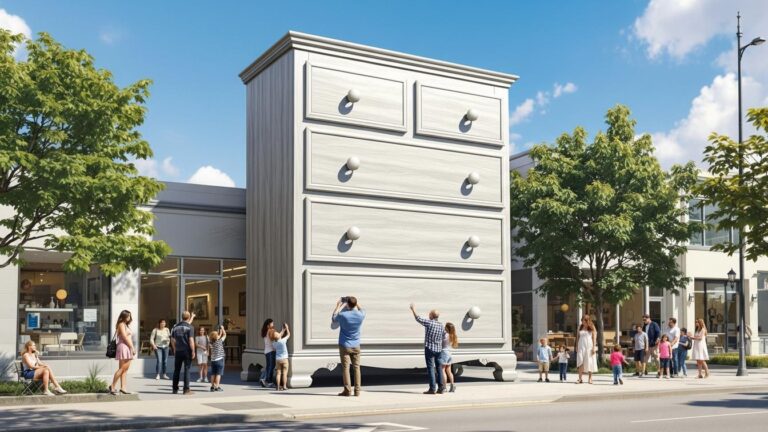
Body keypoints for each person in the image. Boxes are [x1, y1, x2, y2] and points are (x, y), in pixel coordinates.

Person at [332, 296, 366, 397]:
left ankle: (347, 391)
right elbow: (361, 309)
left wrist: (338, 306)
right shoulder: (360, 315)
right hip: (356, 345)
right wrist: (355, 303)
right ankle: (357, 391)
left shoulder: (343, 315)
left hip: (344, 345)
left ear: (347, 304)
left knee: (346, 368)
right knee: (357, 368)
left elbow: (334, 318)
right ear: (355, 304)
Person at [409, 303, 445, 394]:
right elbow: (443, 336)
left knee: (431, 369)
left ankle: (432, 389)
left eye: (429, 314)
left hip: (429, 348)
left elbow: (418, 318)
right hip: (438, 349)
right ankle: (441, 388)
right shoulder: (441, 325)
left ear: (432, 316)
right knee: (439, 368)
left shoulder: (429, 323)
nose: (428, 315)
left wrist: (413, 309)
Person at [110, 309, 136, 395]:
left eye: (130, 316)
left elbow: (128, 338)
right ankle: (112, 386)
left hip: (128, 348)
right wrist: (132, 347)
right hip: (124, 347)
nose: (129, 317)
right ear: (124, 316)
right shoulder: (121, 324)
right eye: (128, 316)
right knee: (122, 369)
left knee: (125, 369)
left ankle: (123, 387)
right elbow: (124, 337)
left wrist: (132, 348)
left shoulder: (126, 325)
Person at [171, 311, 196, 395]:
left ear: (182, 317)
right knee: (187, 370)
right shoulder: (190, 327)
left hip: (178, 350)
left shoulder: (175, 327)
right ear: (188, 317)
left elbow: (173, 340)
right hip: (187, 351)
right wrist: (193, 351)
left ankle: (175, 389)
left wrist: (174, 349)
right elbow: (191, 340)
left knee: (176, 370)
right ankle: (186, 390)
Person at [575, 315, 598, 384]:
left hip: (589, 346)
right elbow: (577, 337)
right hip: (581, 346)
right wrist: (576, 346)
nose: (582, 322)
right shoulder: (580, 326)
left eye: (583, 321)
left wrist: (594, 347)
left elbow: (594, 338)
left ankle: (590, 378)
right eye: (582, 320)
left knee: (590, 361)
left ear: (587, 321)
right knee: (580, 361)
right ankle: (580, 378)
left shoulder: (592, 327)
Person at [440, 323, 459, 392]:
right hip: (449, 353)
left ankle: (444, 387)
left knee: (442, 370)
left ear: (447, 328)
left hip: (444, 352)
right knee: (449, 371)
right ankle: (452, 385)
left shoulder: (445, 335)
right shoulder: (453, 336)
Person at [272, 323, 291, 391]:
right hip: (285, 359)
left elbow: (274, 349)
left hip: (278, 359)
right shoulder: (283, 341)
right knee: (285, 373)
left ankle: (277, 387)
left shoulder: (274, 343)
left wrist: (283, 330)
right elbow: (288, 335)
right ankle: (284, 386)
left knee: (278, 373)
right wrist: (287, 328)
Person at [209, 326, 226, 392]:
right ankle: (217, 386)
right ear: (217, 337)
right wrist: (223, 329)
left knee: (213, 374)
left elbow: (218, 336)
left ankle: (212, 386)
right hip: (219, 360)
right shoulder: (219, 342)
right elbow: (224, 335)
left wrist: (220, 332)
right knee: (218, 374)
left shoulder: (211, 343)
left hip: (213, 360)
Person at [259, 319, 276, 388]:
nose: (273, 324)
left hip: (267, 351)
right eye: (272, 323)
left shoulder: (265, 331)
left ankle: (263, 378)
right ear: (268, 325)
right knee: (271, 367)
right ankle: (269, 381)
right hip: (271, 351)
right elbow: (274, 340)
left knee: (268, 366)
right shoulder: (270, 331)